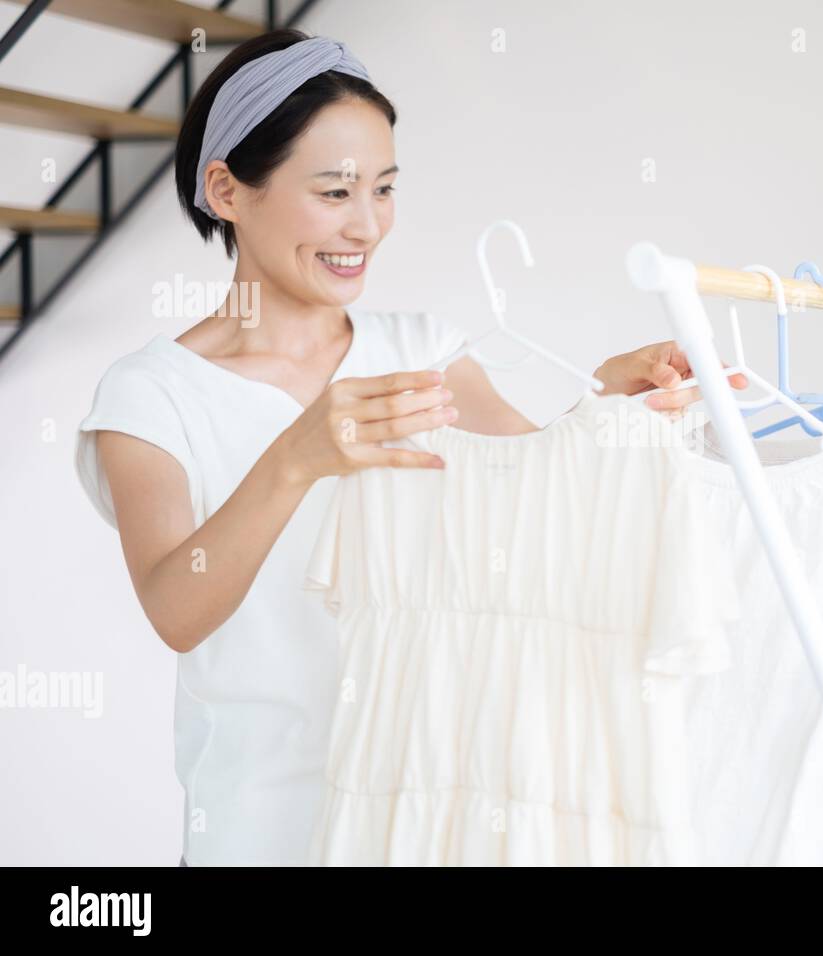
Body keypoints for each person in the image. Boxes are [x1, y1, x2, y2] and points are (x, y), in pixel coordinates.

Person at [73, 28, 744, 866]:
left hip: (421, 824)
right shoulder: (152, 394)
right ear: (226, 189)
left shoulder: (422, 348)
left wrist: (604, 396)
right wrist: (297, 456)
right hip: (255, 834)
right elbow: (177, 610)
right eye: (334, 192)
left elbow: (530, 496)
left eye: (384, 189)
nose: (367, 226)